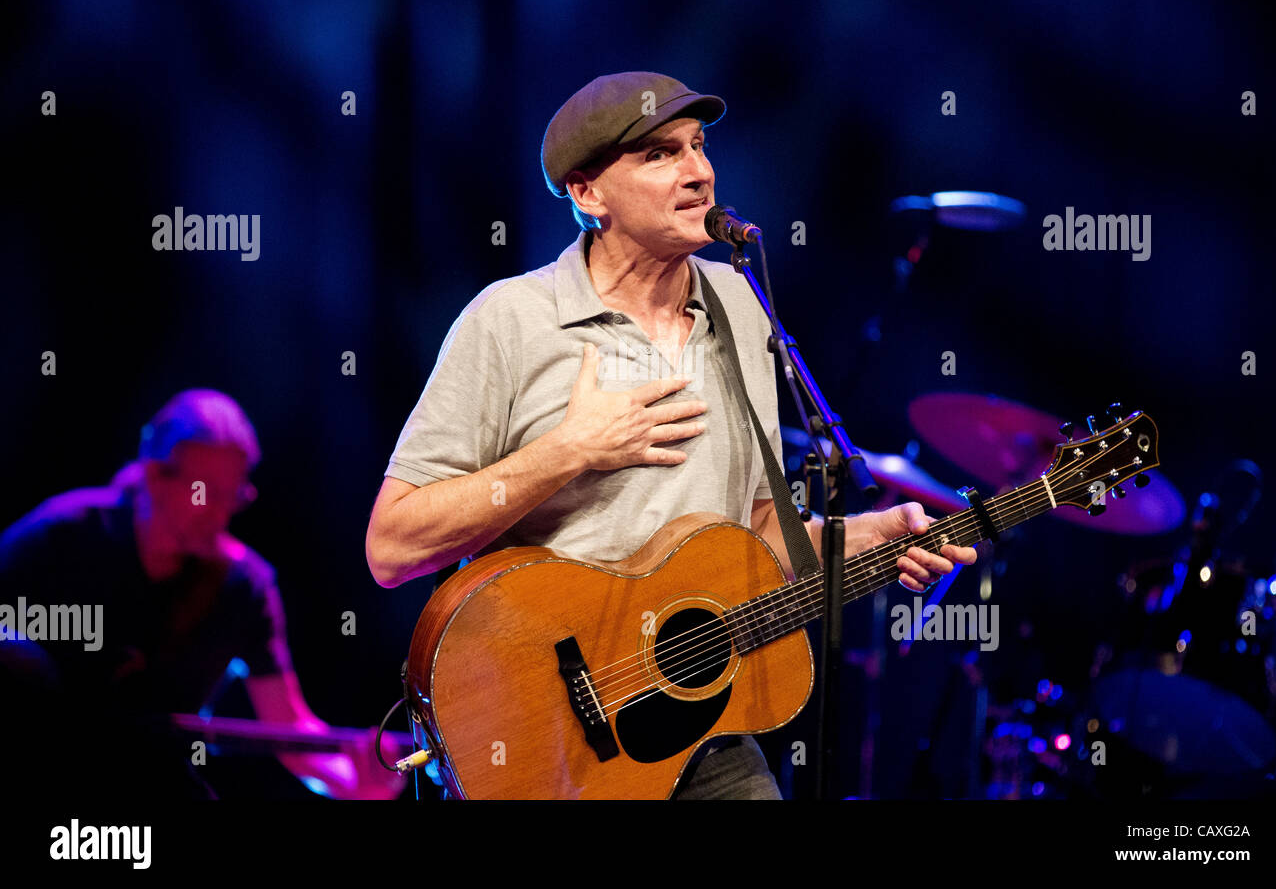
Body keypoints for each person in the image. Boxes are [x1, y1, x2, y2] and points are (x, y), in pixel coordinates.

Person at [365, 71, 978, 799]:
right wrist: (570, 450)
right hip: (547, 736)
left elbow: (750, 536)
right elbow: (393, 547)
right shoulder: (510, 321)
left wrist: (861, 538)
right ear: (587, 194)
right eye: (659, 154)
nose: (699, 172)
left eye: (698, 145)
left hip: (697, 726)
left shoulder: (740, 307)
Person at [0, 389, 405, 799]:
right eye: (204, 492)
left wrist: (360, 784)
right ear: (154, 474)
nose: (219, 513)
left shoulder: (244, 586)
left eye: (231, 497)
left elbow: (292, 733)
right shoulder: (62, 535)